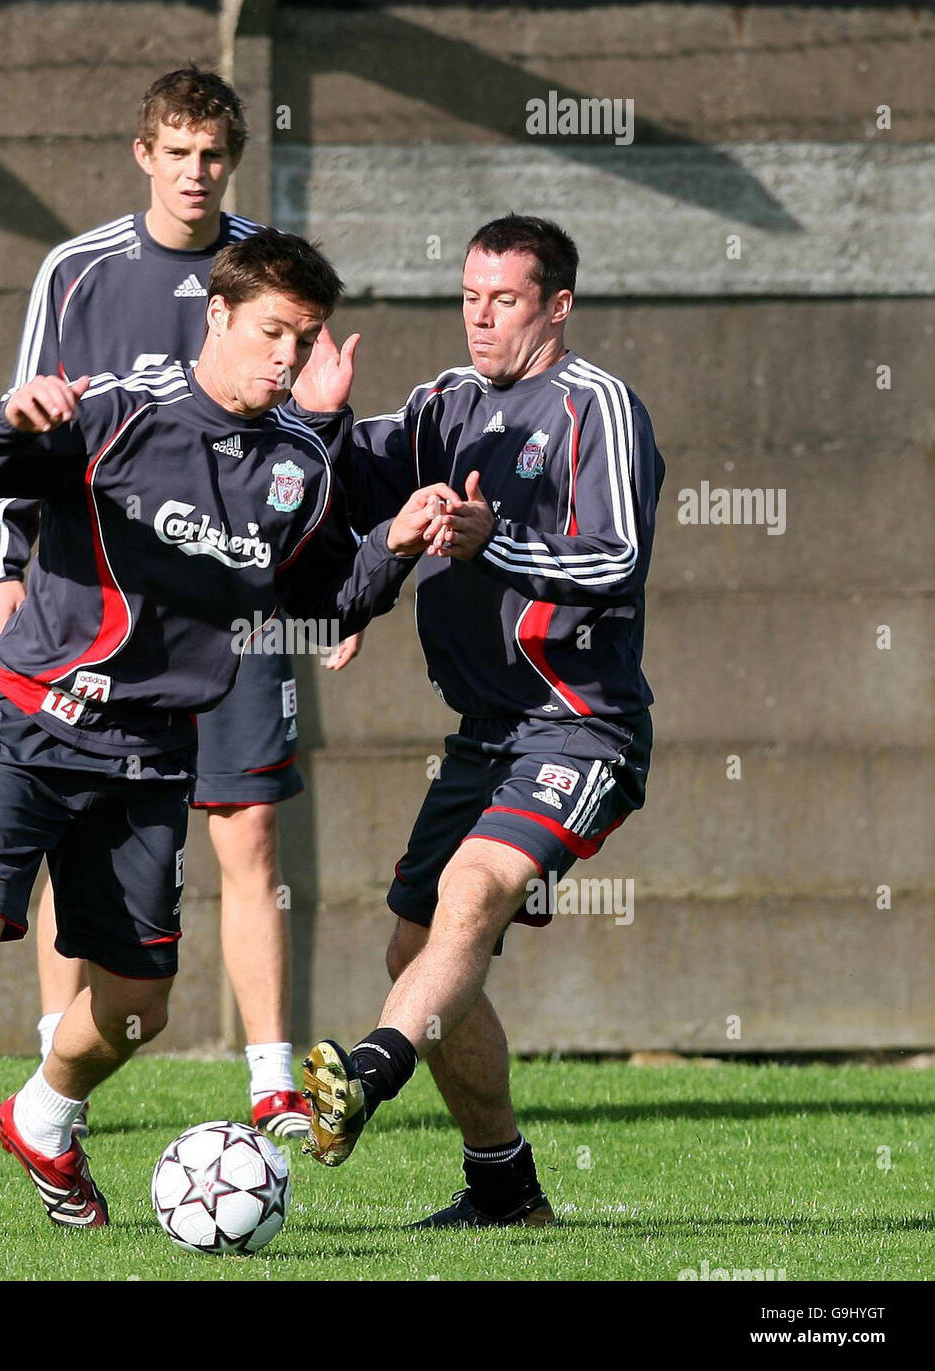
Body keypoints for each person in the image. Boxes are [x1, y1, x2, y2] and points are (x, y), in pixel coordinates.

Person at [0, 228, 451, 1236]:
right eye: (271, 334)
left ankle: (40, 1116)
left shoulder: (297, 468)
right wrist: (9, 418)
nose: (286, 360)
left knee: (136, 1011)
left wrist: (390, 547)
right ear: (215, 316)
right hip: (25, 726)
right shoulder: (120, 412)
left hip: (150, 754)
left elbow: (317, 609)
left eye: (302, 343)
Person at [0, 66, 357, 1141]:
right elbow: (23, 428)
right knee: (67, 820)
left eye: (213, 156)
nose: (195, 174)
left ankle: (270, 1080)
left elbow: (305, 455)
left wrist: (339, 602)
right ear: (145, 154)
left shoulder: (268, 270)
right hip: (95, 600)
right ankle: (59, 1069)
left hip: (229, 607)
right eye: (177, 153)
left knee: (248, 829)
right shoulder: (79, 269)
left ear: (232, 161)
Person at [289, 214, 665, 1228]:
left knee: (473, 886)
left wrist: (491, 543)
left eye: (504, 300)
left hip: (579, 724)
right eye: (468, 296)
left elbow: (612, 560)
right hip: (484, 736)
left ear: (556, 305)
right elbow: (344, 491)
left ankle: (364, 1073)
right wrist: (321, 419)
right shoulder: (442, 404)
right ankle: (504, 1187)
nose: (481, 318)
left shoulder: (599, 408)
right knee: (415, 953)